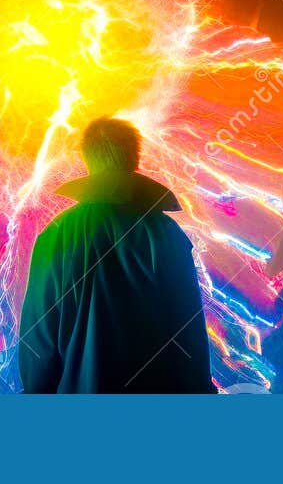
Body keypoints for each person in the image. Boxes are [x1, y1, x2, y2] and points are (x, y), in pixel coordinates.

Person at [17, 117, 214, 393]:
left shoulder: (57, 234)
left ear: (88, 159)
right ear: (134, 158)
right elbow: (188, 328)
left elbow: (40, 332)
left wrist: (36, 392)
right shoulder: (167, 234)